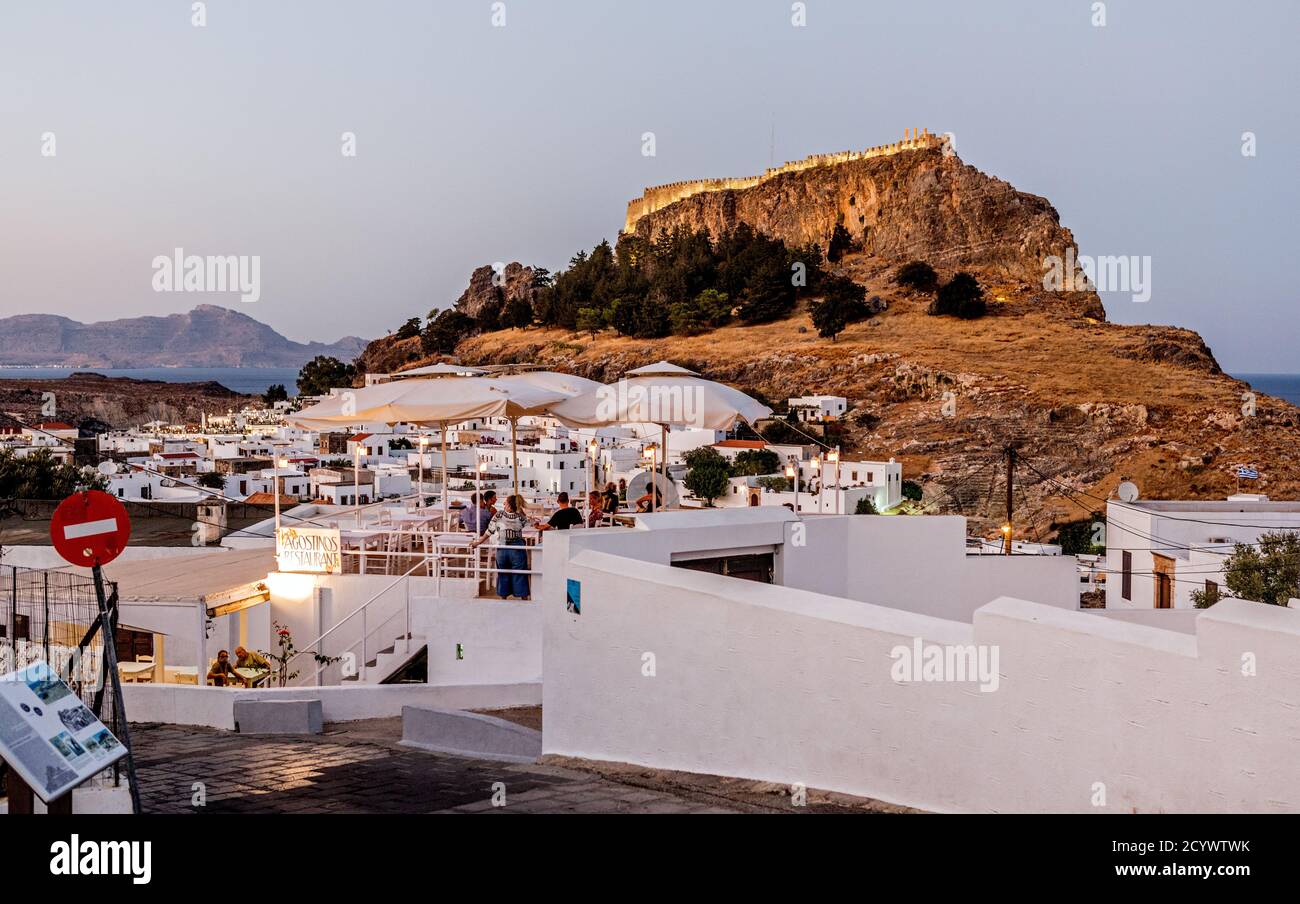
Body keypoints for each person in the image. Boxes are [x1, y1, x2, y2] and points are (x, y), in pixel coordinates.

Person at [471, 494, 532, 599]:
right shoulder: (520, 517)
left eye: (505, 502)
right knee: (520, 574)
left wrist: (478, 542)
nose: (503, 503)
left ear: (508, 505)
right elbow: (529, 526)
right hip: (517, 549)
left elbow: (489, 531)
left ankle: (503, 599)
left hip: (502, 549)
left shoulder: (499, 515)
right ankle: (523, 599)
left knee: (503, 573)